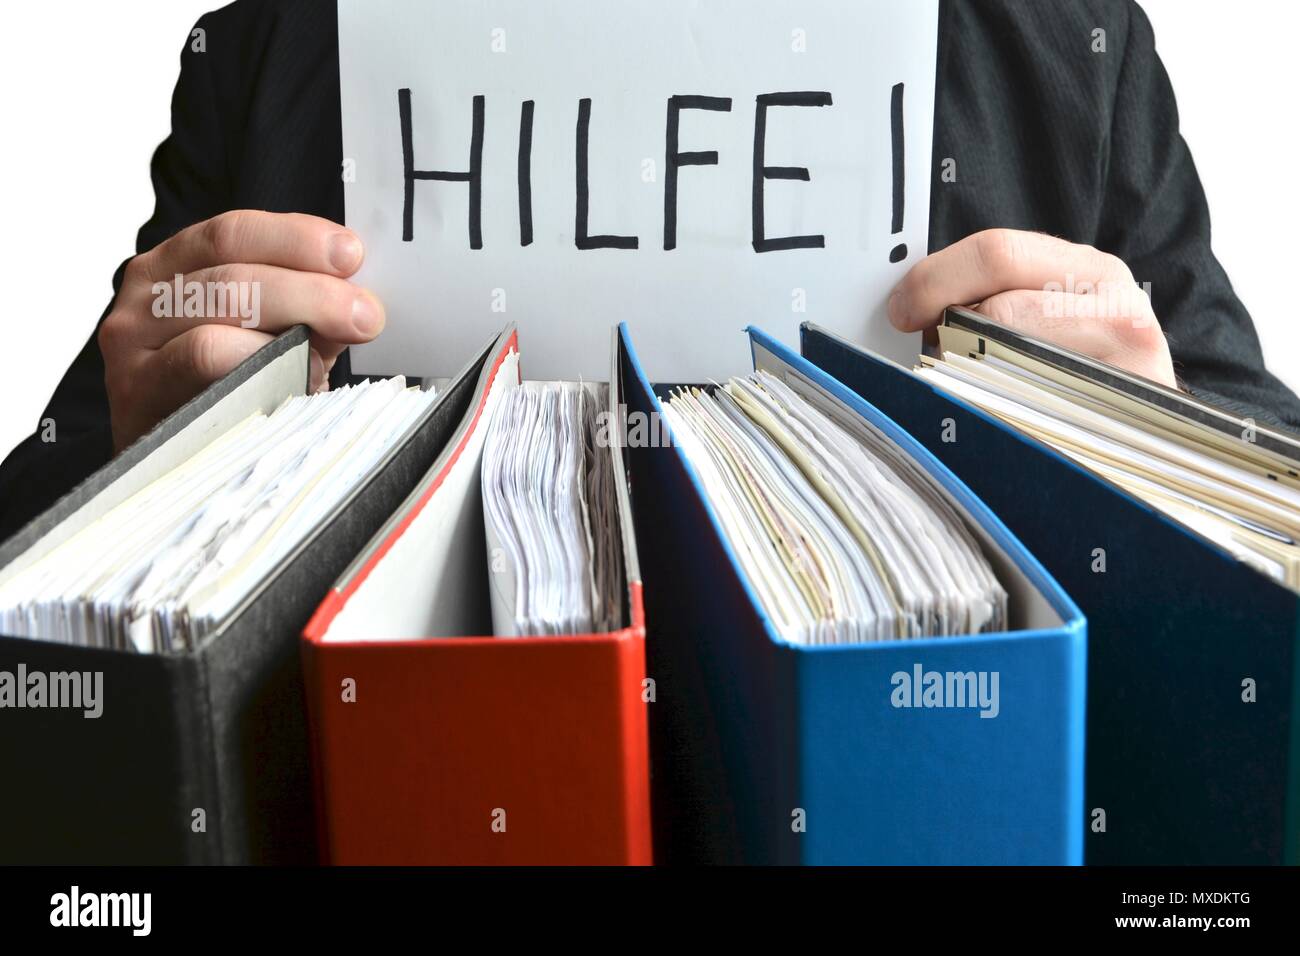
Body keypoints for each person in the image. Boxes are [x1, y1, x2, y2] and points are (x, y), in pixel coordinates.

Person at [1, 0, 1297, 543]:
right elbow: (38, 540)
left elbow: (1265, 473)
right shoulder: (280, 51)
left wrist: (1158, 444)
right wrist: (129, 454)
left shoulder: (1062, 46)